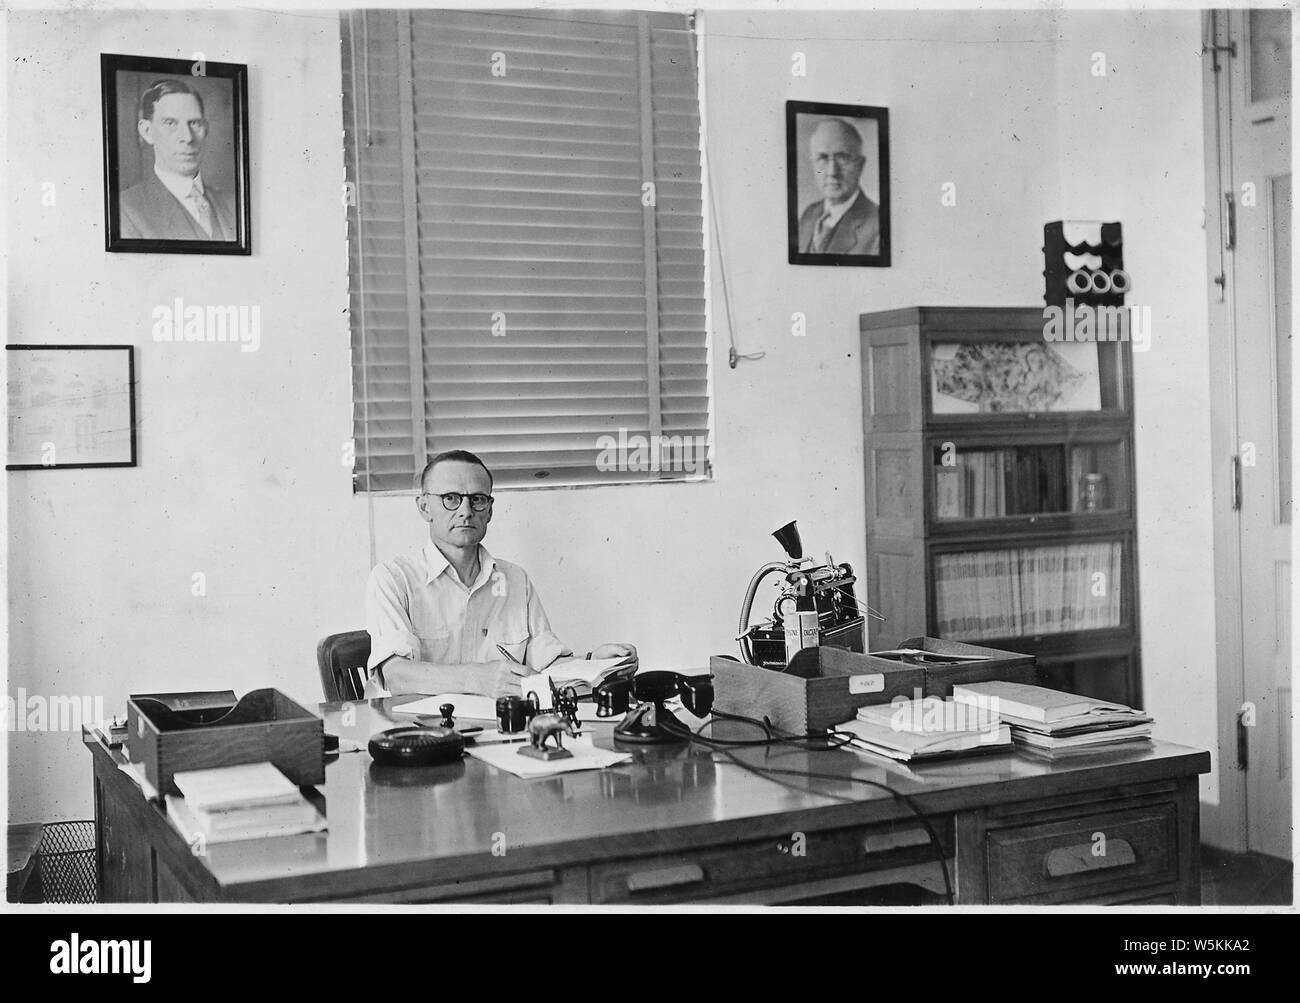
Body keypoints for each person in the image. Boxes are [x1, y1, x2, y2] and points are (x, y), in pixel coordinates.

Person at [365, 449, 637, 698]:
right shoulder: (392, 578)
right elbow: (395, 675)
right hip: (415, 734)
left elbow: (546, 663)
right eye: (450, 499)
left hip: (495, 729)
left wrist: (595, 664)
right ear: (424, 507)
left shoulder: (514, 580)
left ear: (490, 510)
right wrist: (474, 679)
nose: (466, 511)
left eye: (477, 500)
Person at [118, 79, 237, 241]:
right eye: (170, 123)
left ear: (206, 129)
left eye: (194, 123)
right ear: (147, 131)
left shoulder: (234, 204)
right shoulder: (125, 209)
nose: (187, 137)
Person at [797, 118, 880, 256]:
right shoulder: (809, 215)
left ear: (860, 165)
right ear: (813, 165)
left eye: (843, 158)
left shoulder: (879, 225)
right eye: (822, 158)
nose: (832, 172)